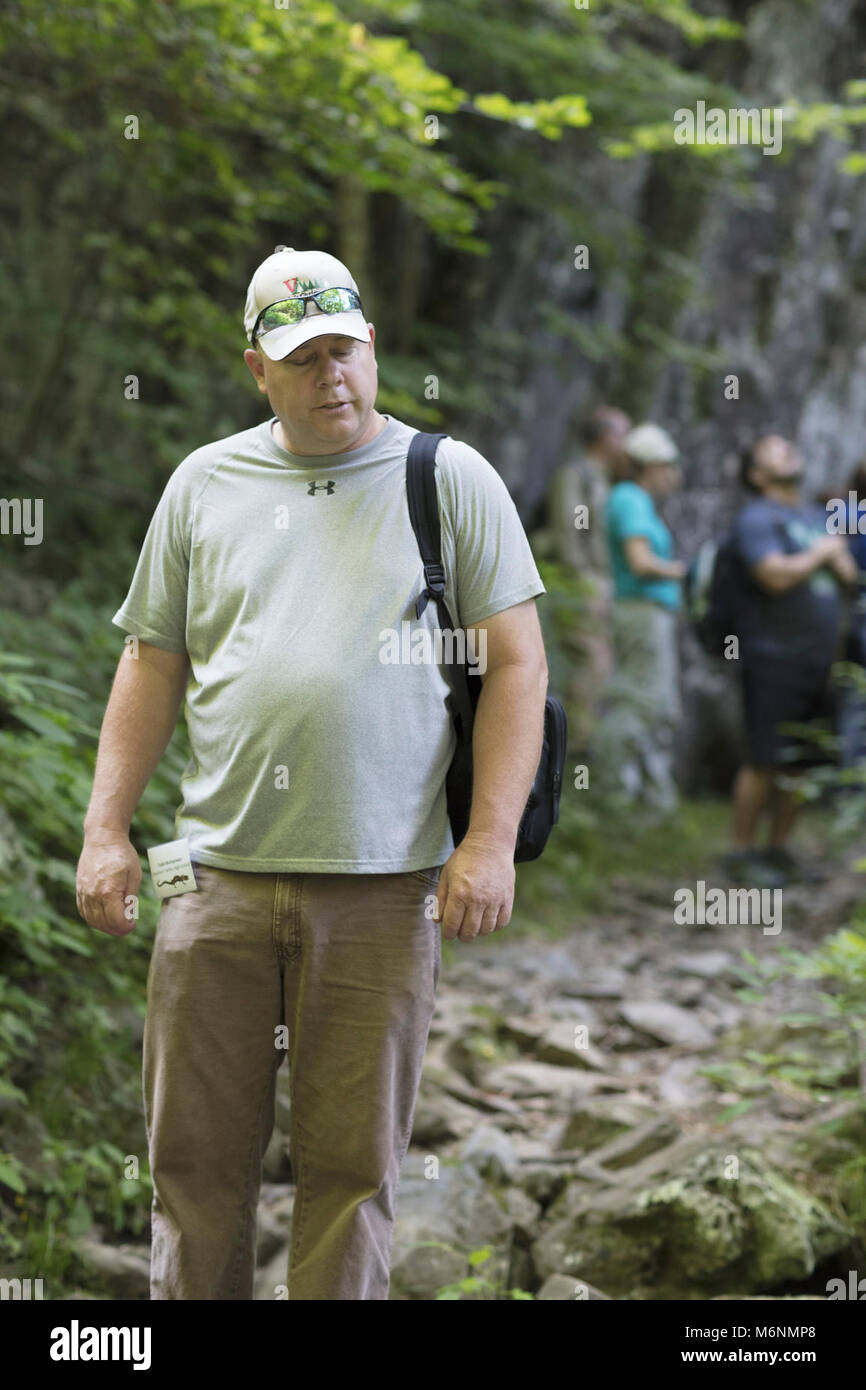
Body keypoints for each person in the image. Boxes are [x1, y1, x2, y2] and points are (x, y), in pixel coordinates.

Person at [74, 246, 549, 1300]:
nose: (329, 373)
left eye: (343, 349)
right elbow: (151, 660)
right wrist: (107, 827)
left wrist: (488, 841)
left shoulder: (447, 477)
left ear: (371, 346)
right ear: (258, 370)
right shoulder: (205, 483)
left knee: (349, 1171)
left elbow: (514, 663)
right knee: (193, 1166)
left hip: (383, 890)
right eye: (301, 358)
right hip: (216, 883)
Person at [723, 435, 856, 885]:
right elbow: (773, 575)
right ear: (757, 475)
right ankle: (740, 853)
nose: (789, 452)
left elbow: (850, 576)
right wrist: (822, 552)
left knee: (799, 758)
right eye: (774, 450)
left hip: (820, 659)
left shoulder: (813, 517)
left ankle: (779, 849)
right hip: (771, 655)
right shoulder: (757, 518)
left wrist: (840, 563)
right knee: (764, 756)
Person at [594, 423, 685, 814]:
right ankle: (613, 796)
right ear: (648, 466)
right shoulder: (629, 498)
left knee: (659, 705)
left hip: (652, 614)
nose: (672, 473)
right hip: (640, 613)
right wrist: (687, 571)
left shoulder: (638, 500)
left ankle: (652, 805)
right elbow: (640, 562)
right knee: (639, 701)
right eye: (667, 465)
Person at [547, 407, 631, 747]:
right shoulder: (576, 475)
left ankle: (581, 746)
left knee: (599, 666)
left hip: (602, 583)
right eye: (624, 434)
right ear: (606, 436)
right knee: (592, 663)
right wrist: (584, 582)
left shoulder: (603, 479)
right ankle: (575, 751)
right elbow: (568, 531)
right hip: (584, 583)